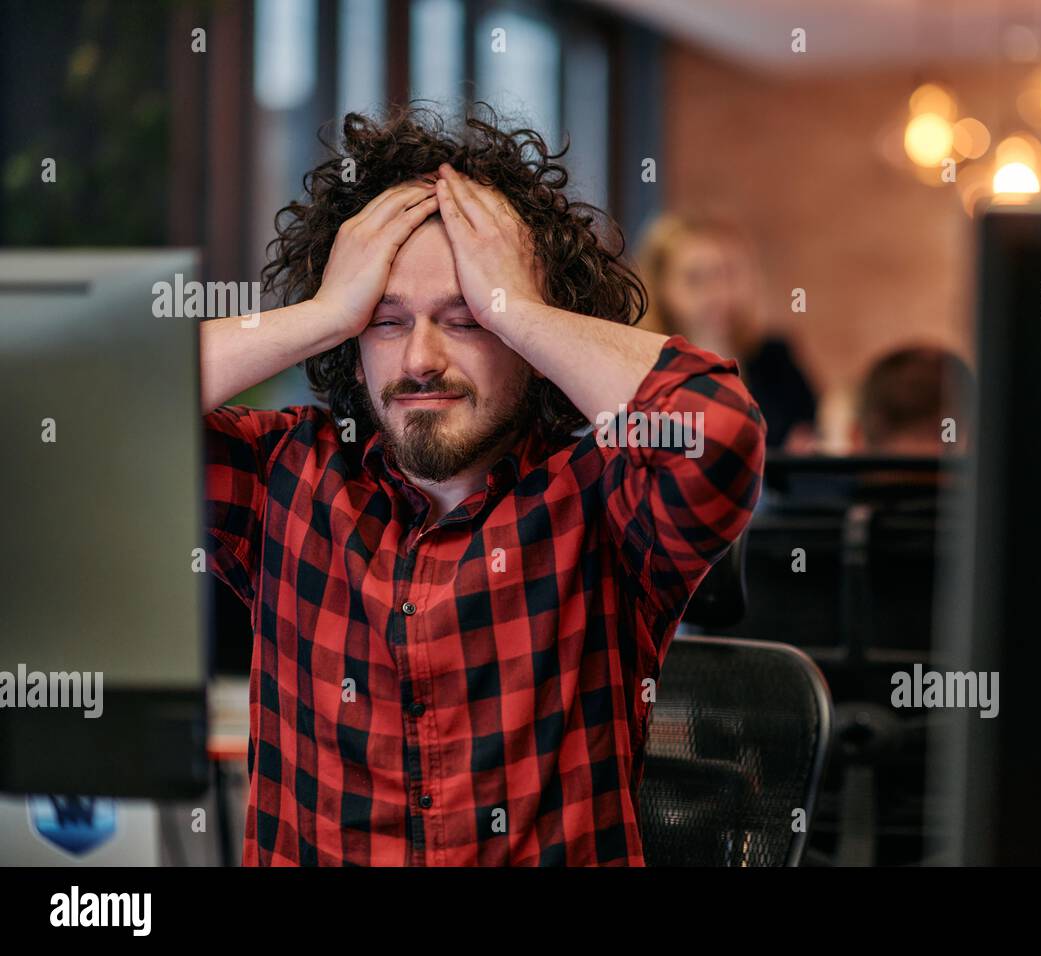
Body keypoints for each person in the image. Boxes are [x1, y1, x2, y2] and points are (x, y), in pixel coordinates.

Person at [200, 106, 766, 866]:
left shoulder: (602, 498)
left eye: (467, 319)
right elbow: (67, 408)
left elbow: (719, 433)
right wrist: (324, 311)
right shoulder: (287, 477)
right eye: (386, 320)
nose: (421, 359)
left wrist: (520, 308)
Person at [638, 212, 817, 450]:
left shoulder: (773, 357)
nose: (717, 292)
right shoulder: (644, 367)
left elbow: (807, 434)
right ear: (661, 288)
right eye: (696, 279)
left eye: (726, 274)